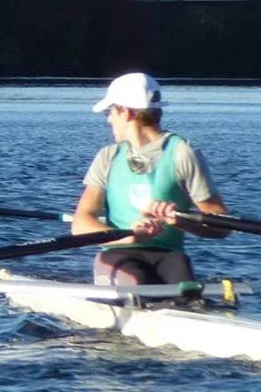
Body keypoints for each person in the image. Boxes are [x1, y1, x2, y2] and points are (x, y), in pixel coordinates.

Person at [70, 71, 229, 286]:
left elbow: (221, 225)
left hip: (169, 256)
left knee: (186, 287)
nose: (108, 119)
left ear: (125, 112)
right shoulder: (108, 157)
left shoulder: (182, 153)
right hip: (119, 254)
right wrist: (130, 236)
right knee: (138, 281)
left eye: (110, 112)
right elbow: (80, 223)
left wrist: (181, 221)